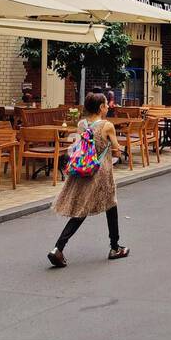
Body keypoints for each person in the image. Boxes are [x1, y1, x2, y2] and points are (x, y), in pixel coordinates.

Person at [47, 92, 129, 266]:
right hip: (101, 172)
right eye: (106, 104)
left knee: (90, 208)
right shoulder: (107, 126)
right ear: (101, 107)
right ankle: (114, 247)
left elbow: (81, 145)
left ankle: (58, 249)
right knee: (106, 206)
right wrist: (118, 148)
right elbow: (116, 149)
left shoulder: (81, 124)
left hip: (83, 169)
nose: (107, 107)